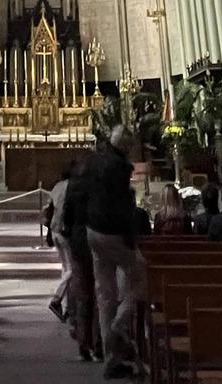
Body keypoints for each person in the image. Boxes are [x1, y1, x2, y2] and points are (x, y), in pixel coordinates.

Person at [83, 125, 147, 379]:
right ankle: (120, 325)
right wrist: (131, 236)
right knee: (141, 278)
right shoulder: (120, 167)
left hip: (92, 229)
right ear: (126, 147)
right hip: (112, 231)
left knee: (105, 293)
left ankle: (112, 358)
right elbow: (122, 205)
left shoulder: (95, 159)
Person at [58, 155, 98, 360]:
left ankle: (83, 341)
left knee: (83, 292)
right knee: (99, 291)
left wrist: (68, 233)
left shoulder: (73, 187)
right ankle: (99, 343)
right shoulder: (97, 185)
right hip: (96, 238)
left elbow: (66, 216)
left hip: (78, 241)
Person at [47, 159, 78, 321]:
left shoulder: (57, 186)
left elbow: (50, 207)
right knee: (72, 269)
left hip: (54, 229)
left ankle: (68, 307)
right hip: (66, 230)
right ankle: (57, 299)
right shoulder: (72, 187)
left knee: (65, 268)